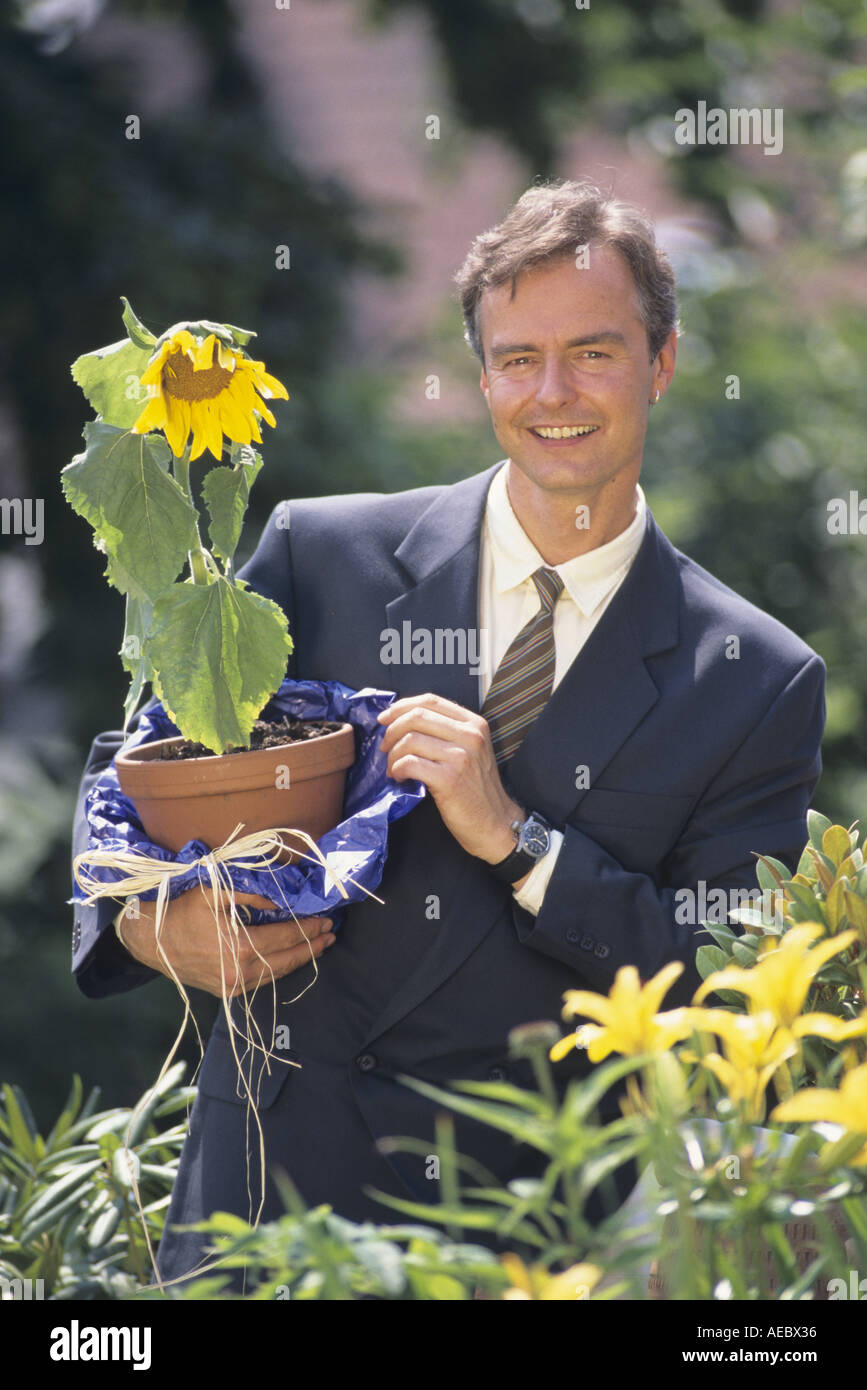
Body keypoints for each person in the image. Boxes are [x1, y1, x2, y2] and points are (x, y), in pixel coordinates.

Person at [71, 180, 825, 1285]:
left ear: (662, 365)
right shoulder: (316, 559)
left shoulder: (755, 678)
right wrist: (147, 925)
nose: (552, 391)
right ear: (482, 379)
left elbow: (714, 988)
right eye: (518, 358)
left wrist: (522, 843)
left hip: (510, 1237)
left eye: (595, 353)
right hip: (257, 1205)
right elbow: (130, 781)